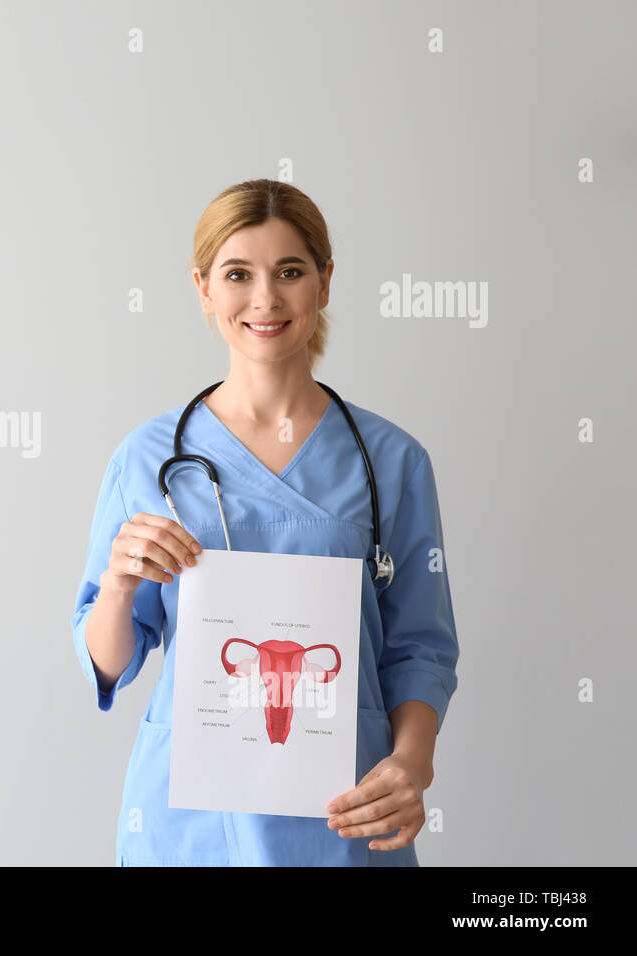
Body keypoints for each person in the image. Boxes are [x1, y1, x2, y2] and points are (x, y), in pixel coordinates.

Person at [71, 179, 459, 866]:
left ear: (326, 281)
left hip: (344, 807)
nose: (265, 299)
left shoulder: (393, 461)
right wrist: (120, 581)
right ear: (203, 288)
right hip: (188, 819)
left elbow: (420, 649)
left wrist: (412, 766)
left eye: (290, 272)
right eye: (238, 274)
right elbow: (110, 663)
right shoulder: (148, 458)